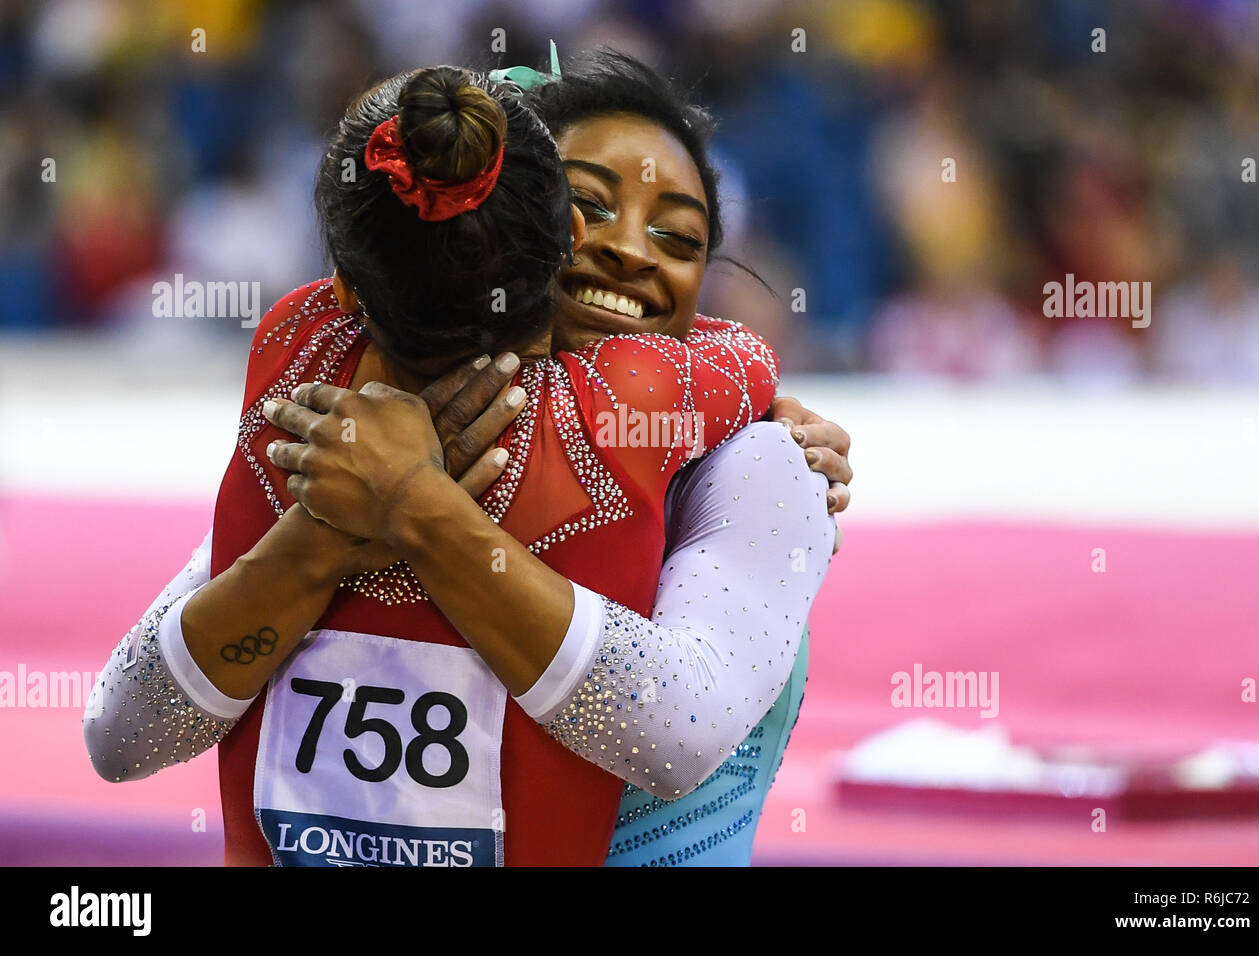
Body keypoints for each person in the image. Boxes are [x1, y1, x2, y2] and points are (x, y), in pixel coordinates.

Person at [86, 53, 851, 866]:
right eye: (592, 202)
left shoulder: (762, 460)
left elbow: (678, 735)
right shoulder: (337, 442)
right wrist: (328, 536)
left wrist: (410, 507)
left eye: (679, 236)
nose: (630, 250)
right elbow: (123, 733)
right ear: (521, 225)